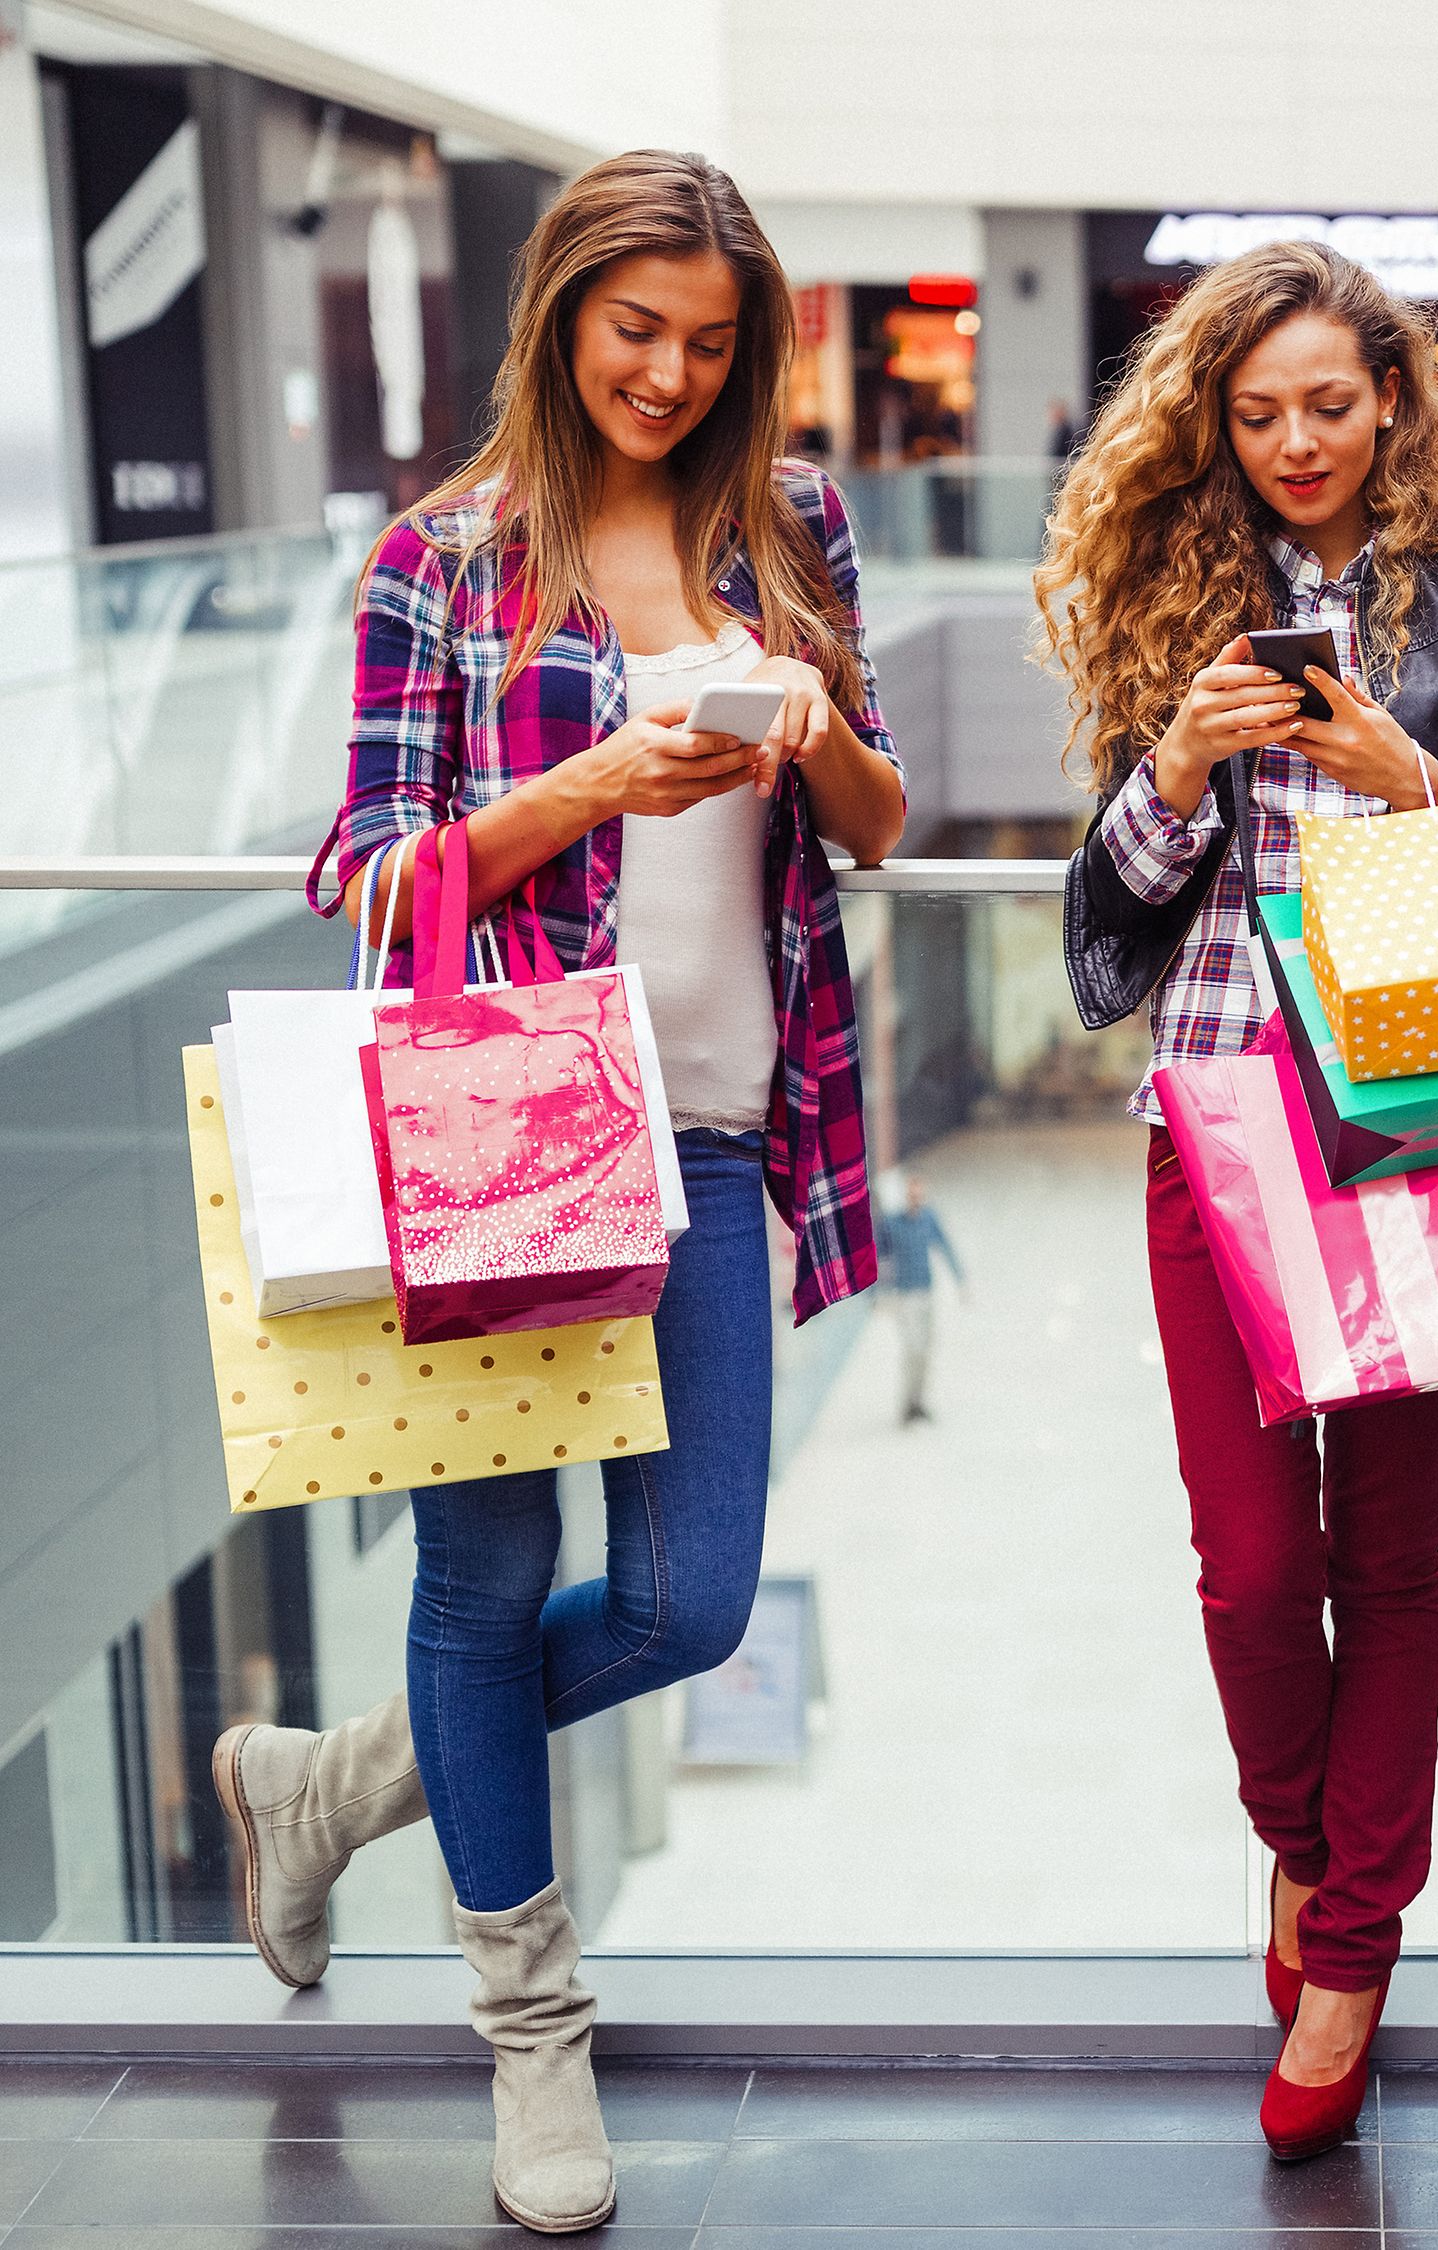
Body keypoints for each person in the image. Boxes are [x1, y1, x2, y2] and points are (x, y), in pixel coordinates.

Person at [218, 150, 901, 2235]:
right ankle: (533, 2038)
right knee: (485, 1594)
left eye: (710, 345)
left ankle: (327, 1789)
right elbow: (371, 864)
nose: (671, 376)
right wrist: (598, 781)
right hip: (507, 1134)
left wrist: (806, 732)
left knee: (694, 1596)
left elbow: (871, 820)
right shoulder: (443, 562)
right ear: (561, 314)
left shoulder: (792, 527)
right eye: (637, 334)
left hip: (711, 1134)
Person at [1044, 240, 1438, 2162]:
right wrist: (1179, 756)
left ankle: (1351, 1944)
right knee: (1254, 1568)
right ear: (1213, 424)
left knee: (1389, 1557)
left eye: (1331, 405)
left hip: (1411, 1123)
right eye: (1256, 415)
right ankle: (1303, 1848)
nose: (1297, 444)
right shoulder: (1163, 586)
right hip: (1220, 1115)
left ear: (1394, 400)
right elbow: (1100, 936)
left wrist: (1390, 760)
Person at [875, 1168, 966, 1423]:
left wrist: (959, 1278)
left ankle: (918, 1401)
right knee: (912, 1349)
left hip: (925, 1291)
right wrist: (877, 1294)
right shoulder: (892, 1224)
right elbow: (879, 1257)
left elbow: (944, 1244)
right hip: (903, 1295)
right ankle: (907, 1402)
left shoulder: (928, 1218)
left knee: (925, 1349)